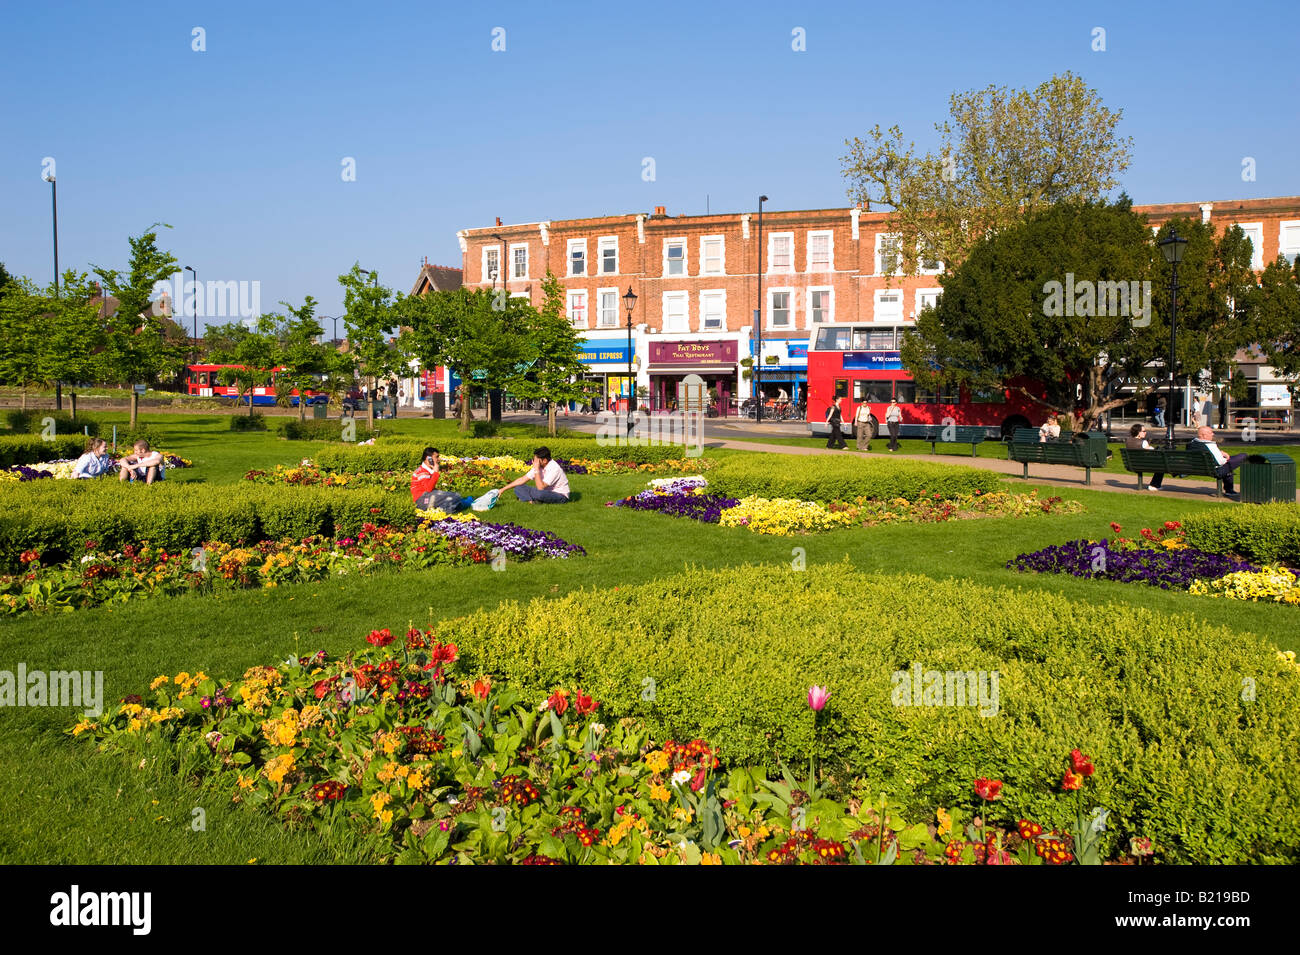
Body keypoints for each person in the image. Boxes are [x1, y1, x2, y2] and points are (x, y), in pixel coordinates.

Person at [1189, 425, 1248, 497]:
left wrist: (1220, 453)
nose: (1213, 434)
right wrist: (1226, 457)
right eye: (1210, 432)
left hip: (1199, 468)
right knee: (1243, 456)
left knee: (1229, 466)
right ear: (1204, 435)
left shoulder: (1192, 443)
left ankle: (1229, 490)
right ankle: (1229, 490)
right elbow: (1220, 462)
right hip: (1214, 470)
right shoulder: (1210, 445)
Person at [499, 446, 571, 503]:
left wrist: (536, 470)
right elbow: (522, 479)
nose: (533, 462)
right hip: (544, 492)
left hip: (559, 495)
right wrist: (502, 489)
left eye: (536, 460)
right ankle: (531, 501)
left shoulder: (555, 468)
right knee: (518, 487)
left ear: (545, 460)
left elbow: (540, 487)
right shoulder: (539, 465)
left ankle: (528, 498)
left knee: (539, 494)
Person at [410, 447, 467, 512]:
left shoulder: (425, 469)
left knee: (455, 498)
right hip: (422, 500)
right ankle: (440, 512)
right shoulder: (422, 472)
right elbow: (428, 488)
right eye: (436, 457)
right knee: (456, 496)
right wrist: (436, 473)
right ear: (428, 458)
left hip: (425, 497)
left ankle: (448, 508)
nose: (439, 459)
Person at [1125, 423, 1164, 492]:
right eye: (1143, 431)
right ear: (1138, 432)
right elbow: (1153, 451)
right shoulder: (1143, 442)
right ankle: (1154, 485)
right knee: (1162, 465)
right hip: (1144, 465)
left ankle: (1155, 485)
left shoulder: (1128, 441)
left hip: (1133, 464)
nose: (1145, 433)